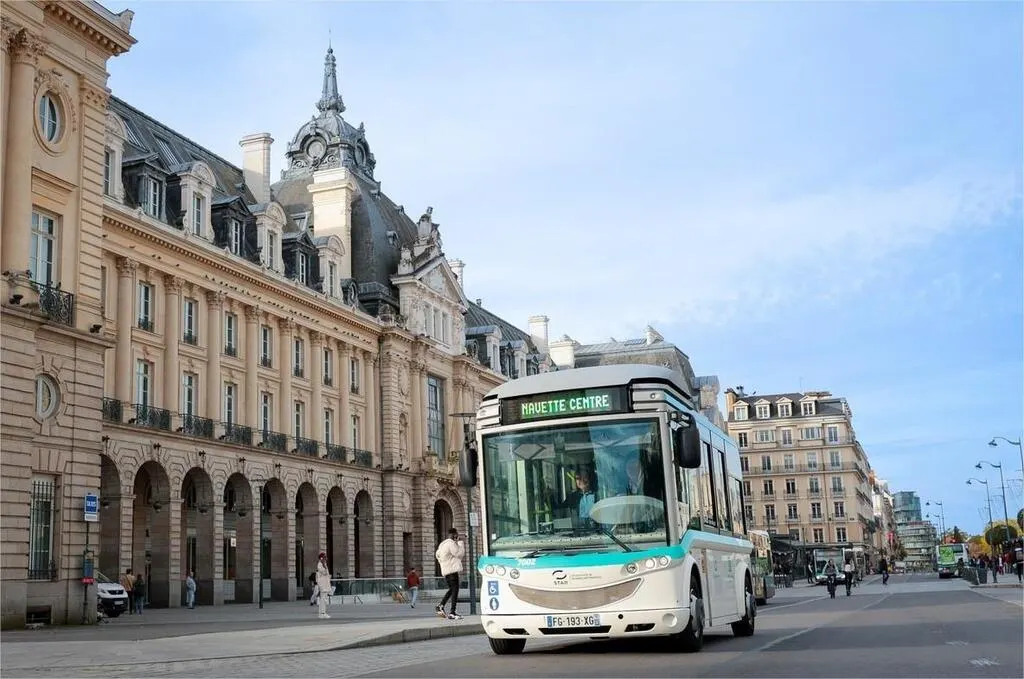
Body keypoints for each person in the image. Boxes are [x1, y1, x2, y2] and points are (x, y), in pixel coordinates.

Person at [435, 528, 465, 620]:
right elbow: (459, 554)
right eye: (456, 535)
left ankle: (441, 606)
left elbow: (438, 556)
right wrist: (460, 543)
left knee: (452, 590)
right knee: (455, 591)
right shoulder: (451, 544)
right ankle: (452, 612)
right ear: (454, 535)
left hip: (446, 571)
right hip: (452, 571)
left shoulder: (442, 545)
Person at [315, 551, 333, 619]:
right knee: (323, 599)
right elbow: (324, 572)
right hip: (323, 584)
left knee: (324, 599)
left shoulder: (323, 564)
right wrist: (324, 566)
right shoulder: (320, 564)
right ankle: (322, 613)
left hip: (325, 583)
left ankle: (322, 613)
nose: (326, 558)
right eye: (324, 557)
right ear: (321, 558)